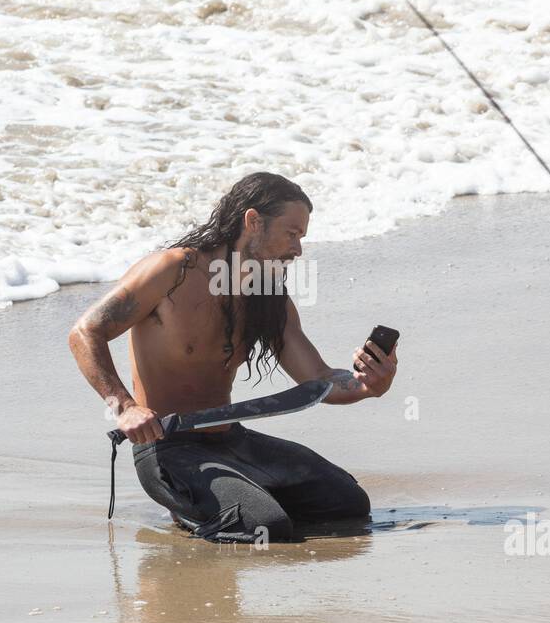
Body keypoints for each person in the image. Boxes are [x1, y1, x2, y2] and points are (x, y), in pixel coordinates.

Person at [68, 172, 398, 542]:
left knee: (347, 503)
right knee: (266, 527)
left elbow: (318, 378)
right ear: (253, 222)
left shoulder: (268, 294)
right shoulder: (173, 272)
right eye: (292, 234)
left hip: (230, 439)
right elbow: (84, 333)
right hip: (168, 448)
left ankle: (235, 500)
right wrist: (125, 407)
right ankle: (197, 509)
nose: (298, 250)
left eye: (302, 237)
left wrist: (367, 385)